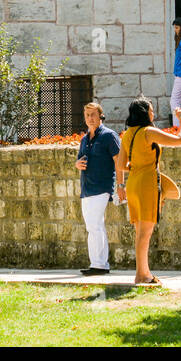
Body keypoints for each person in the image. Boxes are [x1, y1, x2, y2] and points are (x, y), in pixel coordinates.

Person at [115, 95, 181, 286]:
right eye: (151, 109)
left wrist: (138, 166)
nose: (153, 113)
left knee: (140, 231)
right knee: (145, 233)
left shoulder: (128, 134)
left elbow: (121, 165)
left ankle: (144, 272)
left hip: (133, 184)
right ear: (145, 112)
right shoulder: (149, 132)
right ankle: (142, 275)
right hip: (147, 184)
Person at [74, 101, 120, 275]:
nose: (90, 118)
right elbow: (80, 160)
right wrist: (77, 164)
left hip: (102, 186)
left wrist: (119, 186)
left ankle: (99, 264)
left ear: (101, 116)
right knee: (94, 226)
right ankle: (99, 264)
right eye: (87, 115)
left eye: (93, 114)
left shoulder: (109, 136)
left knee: (94, 226)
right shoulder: (85, 139)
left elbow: (119, 161)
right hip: (87, 188)